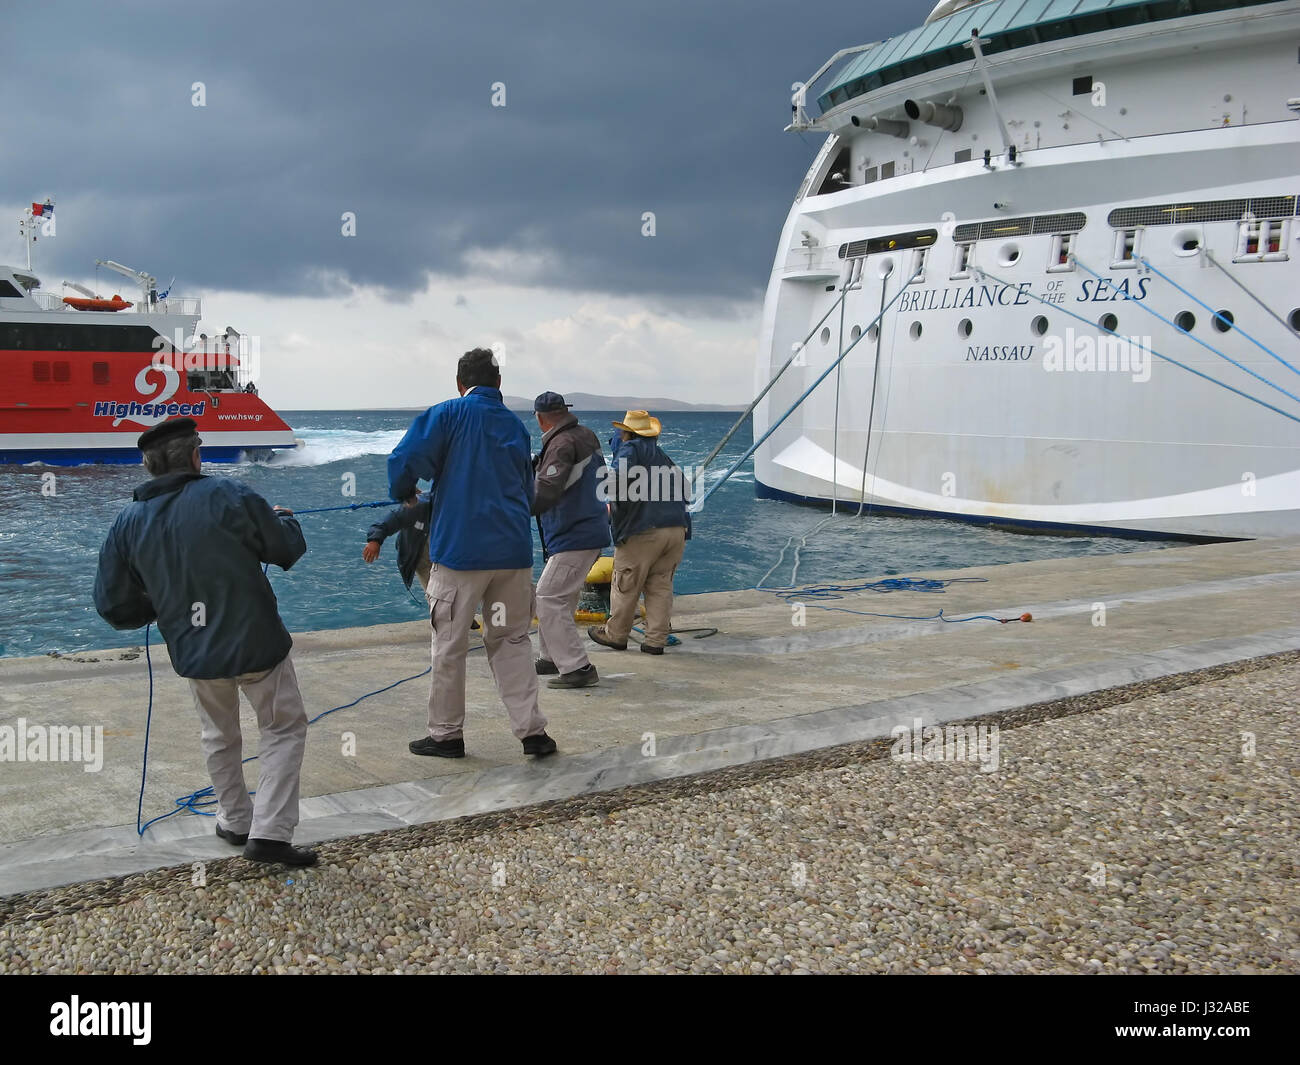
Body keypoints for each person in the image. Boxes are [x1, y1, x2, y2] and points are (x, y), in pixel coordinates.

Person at [92, 417, 316, 866]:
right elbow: (284, 550)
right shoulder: (230, 495)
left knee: (218, 734)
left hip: (194, 650)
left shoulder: (126, 522)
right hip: (256, 642)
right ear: (196, 456)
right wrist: (284, 524)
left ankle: (235, 821)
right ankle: (269, 835)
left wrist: (163, 606)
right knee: (283, 729)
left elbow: (113, 606)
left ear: (149, 466)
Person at [388, 348, 555, 758]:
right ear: (498, 383)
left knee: (449, 643)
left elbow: (404, 460)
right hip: (512, 552)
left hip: (461, 553)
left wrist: (405, 494)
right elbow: (527, 487)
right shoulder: (516, 427)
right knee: (512, 641)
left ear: (460, 383)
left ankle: (446, 735)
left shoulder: (447, 414)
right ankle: (532, 733)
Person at [588, 410, 691, 655]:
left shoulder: (630, 449)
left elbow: (615, 482)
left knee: (626, 582)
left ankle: (616, 635)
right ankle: (655, 640)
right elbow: (686, 489)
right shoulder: (663, 457)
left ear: (626, 433)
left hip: (644, 531)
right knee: (660, 585)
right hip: (676, 529)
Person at [531, 392, 610, 688]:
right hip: (588, 530)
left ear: (540, 418)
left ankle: (577, 667)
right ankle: (550, 657)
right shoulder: (583, 435)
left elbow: (546, 491)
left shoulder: (561, 443)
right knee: (560, 598)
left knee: (548, 597)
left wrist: (510, 507)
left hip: (574, 534)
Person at [363, 492, 434, 592]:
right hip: (422, 558)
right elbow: (384, 523)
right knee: (436, 595)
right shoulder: (418, 506)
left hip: (447, 558)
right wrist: (374, 540)